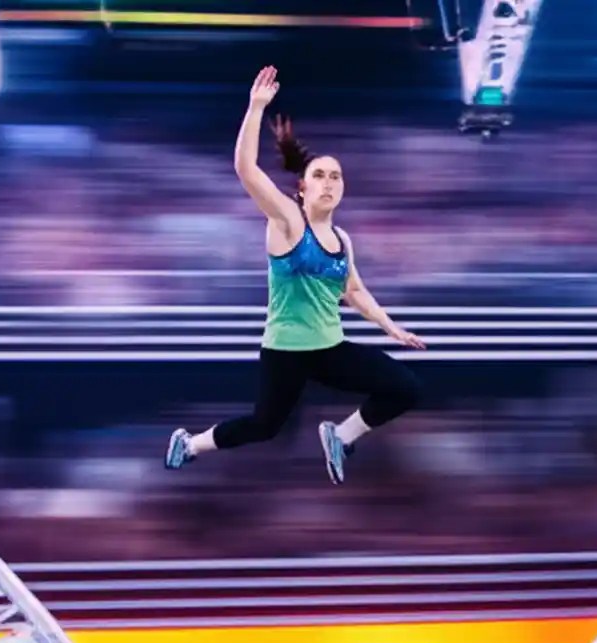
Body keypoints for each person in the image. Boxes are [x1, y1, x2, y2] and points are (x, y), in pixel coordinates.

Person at [164, 66, 425, 484]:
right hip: (285, 352)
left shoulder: (342, 239)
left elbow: (354, 290)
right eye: (318, 175)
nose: (328, 182)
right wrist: (255, 107)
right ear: (301, 189)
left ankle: (340, 436)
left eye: (335, 176)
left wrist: (390, 327)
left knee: (405, 388)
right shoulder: (288, 222)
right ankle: (189, 444)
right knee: (265, 427)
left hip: (329, 349)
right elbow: (246, 169)